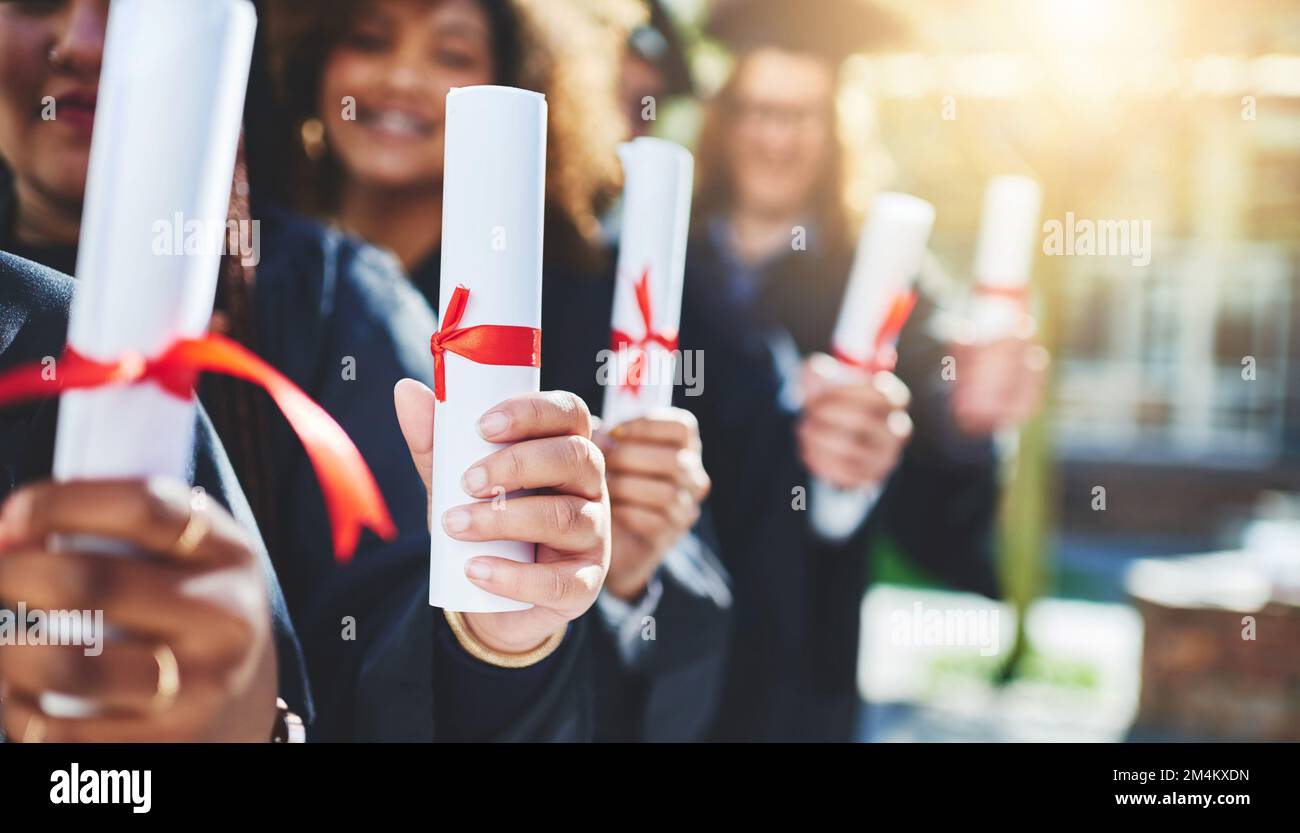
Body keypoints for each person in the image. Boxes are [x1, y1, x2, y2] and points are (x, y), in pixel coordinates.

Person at [0, 0, 613, 742]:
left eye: (135, 3)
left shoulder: (332, 300)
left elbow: (404, 667)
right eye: (38, 1)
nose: (83, 41)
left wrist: (496, 628)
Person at [270, 0, 730, 741]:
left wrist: (624, 572)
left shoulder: (584, 310)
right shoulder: (247, 277)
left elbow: (688, 631)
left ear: (514, 87)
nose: (404, 77)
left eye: (452, 56)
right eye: (368, 41)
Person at [686, 0, 1050, 740]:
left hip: (798, 673)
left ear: (836, 128)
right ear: (724, 118)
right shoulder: (652, 260)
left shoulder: (887, 280)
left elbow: (934, 489)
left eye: (802, 114)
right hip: (645, 665)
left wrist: (966, 423)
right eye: (756, 106)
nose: (774, 136)